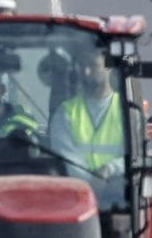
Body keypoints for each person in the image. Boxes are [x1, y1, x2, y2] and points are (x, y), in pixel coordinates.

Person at [49, 51, 126, 206]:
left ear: (109, 67)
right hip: (76, 196)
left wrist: (109, 169)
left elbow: (135, 155)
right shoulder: (66, 111)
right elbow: (64, 157)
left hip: (120, 197)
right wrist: (91, 183)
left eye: (93, 66)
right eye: (82, 66)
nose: (86, 72)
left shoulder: (126, 110)